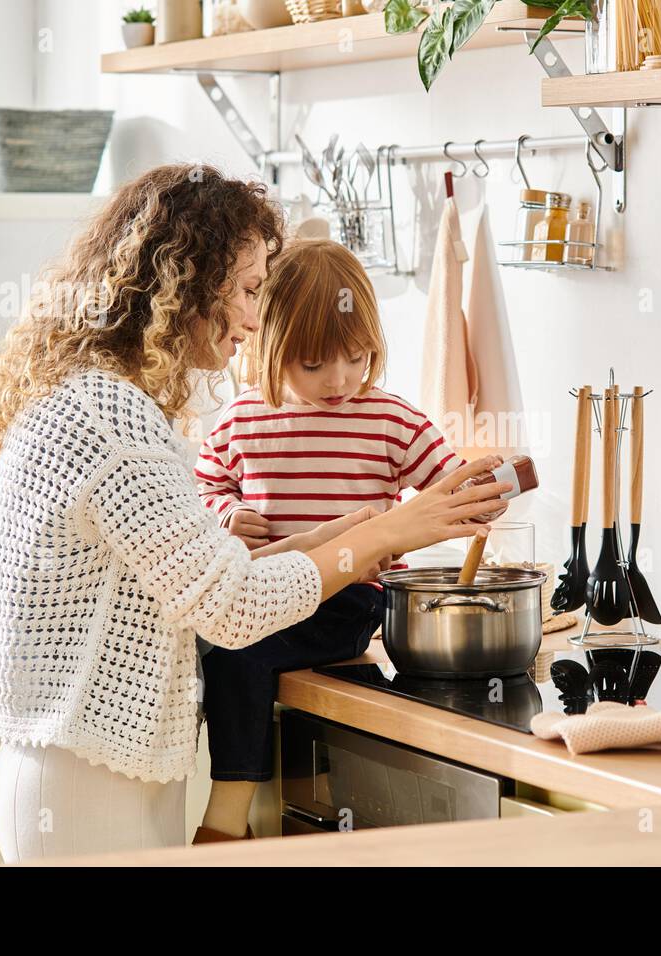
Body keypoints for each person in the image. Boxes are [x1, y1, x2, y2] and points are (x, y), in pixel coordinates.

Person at [0, 164, 508, 861]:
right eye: (249, 291)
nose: (254, 321)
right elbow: (230, 605)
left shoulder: (95, 399)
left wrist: (332, 537)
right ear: (185, 283)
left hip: (87, 772)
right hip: (87, 788)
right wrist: (393, 528)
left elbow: (199, 573)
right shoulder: (111, 419)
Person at [192, 238, 468, 841]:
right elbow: (204, 486)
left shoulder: (390, 418)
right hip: (262, 591)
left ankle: (227, 812)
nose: (339, 380)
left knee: (239, 653)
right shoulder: (244, 418)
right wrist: (227, 512)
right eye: (313, 364)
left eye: (354, 357)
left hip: (346, 597)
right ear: (269, 344)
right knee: (228, 644)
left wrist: (473, 495)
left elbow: (448, 487)